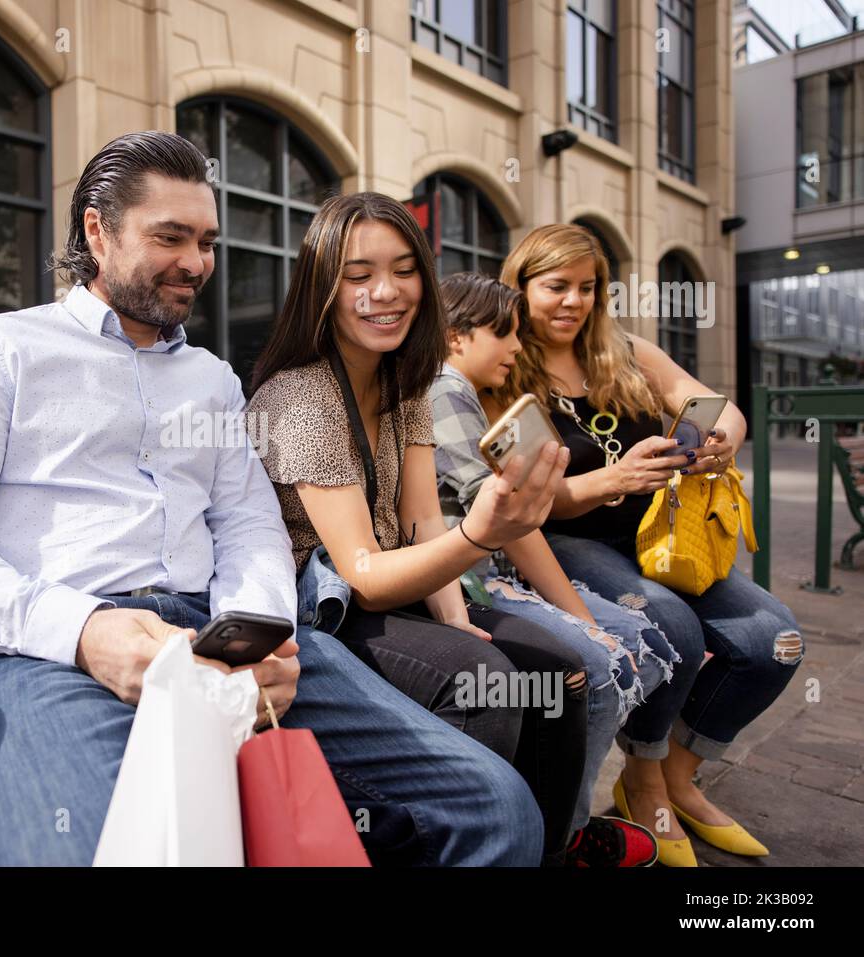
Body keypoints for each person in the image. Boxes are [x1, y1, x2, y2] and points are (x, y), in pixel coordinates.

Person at [0, 131, 544, 867]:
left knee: (498, 810)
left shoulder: (213, 380)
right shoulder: (2, 351)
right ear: (97, 232)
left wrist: (255, 631)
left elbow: (249, 525)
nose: (196, 262)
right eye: (171, 237)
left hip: (219, 637)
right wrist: (85, 630)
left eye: (206, 240)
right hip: (55, 654)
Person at [246, 191, 588, 866]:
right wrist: (480, 538)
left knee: (556, 670)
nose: (387, 291)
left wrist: (454, 614)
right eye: (358, 274)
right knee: (480, 679)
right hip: (320, 612)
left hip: (392, 582)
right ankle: (468, 841)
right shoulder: (301, 397)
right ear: (322, 285)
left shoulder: (408, 382)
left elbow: (423, 516)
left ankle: (542, 853)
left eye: (405, 269)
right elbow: (363, 576)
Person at [496, 223, 805, 865]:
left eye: (587, 288)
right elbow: (525, 502)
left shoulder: (623, 349)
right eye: (555, 287)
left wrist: (720, 436)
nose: (573, 302)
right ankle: (642, 777)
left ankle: (678, 778)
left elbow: (706, 402)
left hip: (659, 533)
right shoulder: (502, 369)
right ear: (521, 288)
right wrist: (613, 478)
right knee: (673, 628)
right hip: (565, 538)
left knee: (774, 641)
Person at [432, 271, 673, 867]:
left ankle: (566, 821)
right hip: (470, 580)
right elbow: (512, 525)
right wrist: (579, 615)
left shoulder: (456, 392)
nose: (518, 348)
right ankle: (561, 835)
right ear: (457, 335)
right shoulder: (443, 390)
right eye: (504, 334)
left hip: (485, 573)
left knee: (636, 640)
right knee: (598, 657)